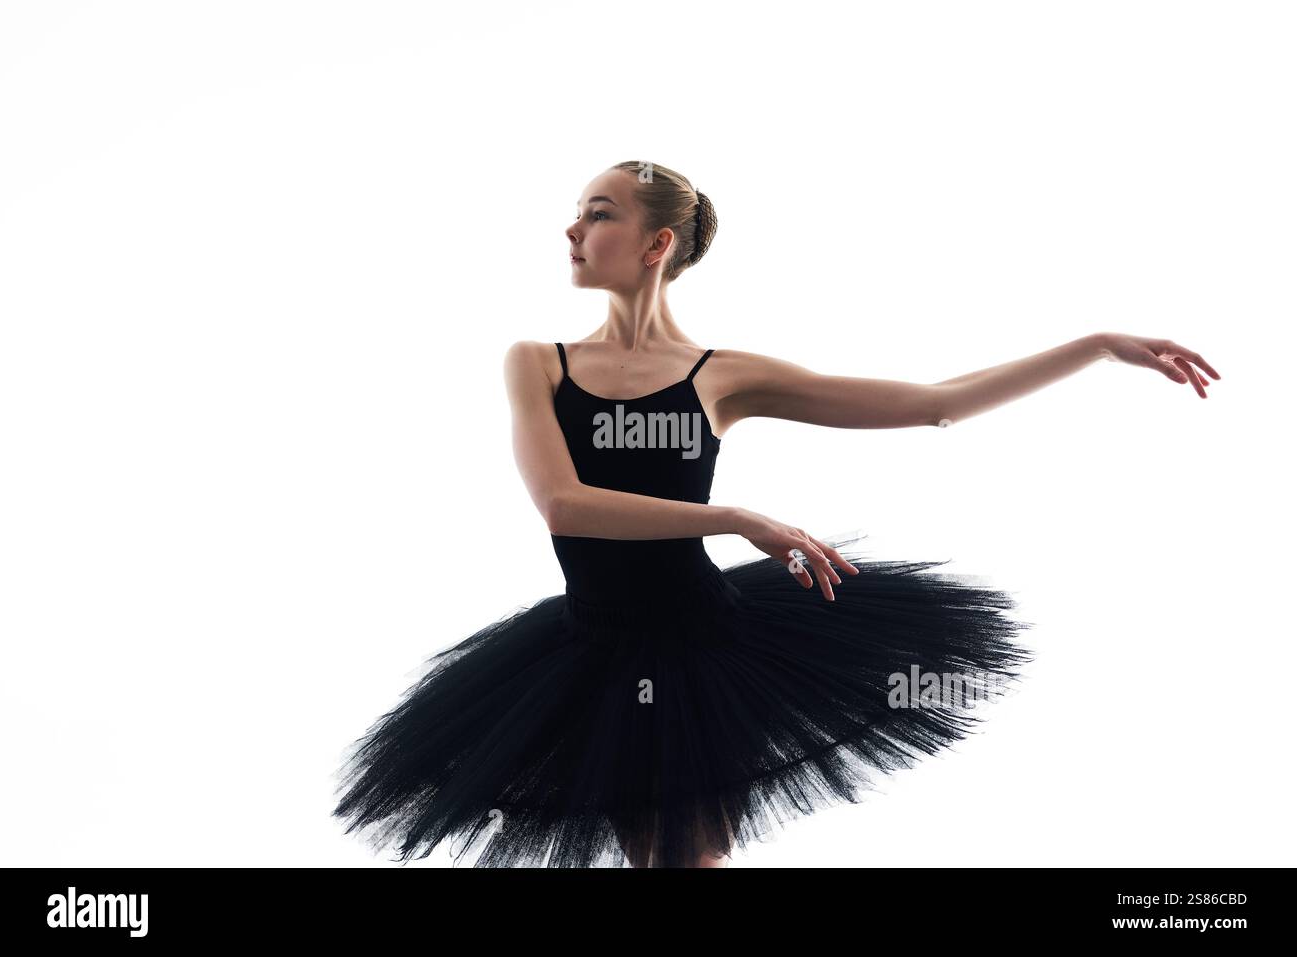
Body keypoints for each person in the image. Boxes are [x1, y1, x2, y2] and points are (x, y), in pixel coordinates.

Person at [332, 160, 1220, 868]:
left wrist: (1096, 346)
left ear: (655, 243)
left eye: (598, 212)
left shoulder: (723, 373)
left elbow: (934, 403)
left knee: (687, 854)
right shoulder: (538, 363)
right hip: (589, 651)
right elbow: (565, 506)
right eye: (577, 210)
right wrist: (735, 517)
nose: (572, 228)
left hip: (701, 648)